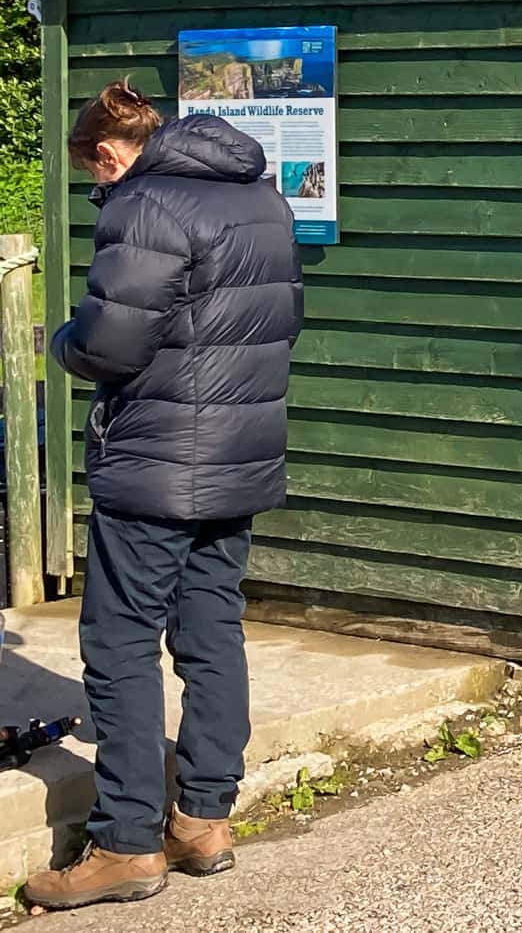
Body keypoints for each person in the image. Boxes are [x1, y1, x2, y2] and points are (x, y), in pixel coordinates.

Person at [23, 82, 303, 911]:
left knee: (118, 644)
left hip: (155, 460)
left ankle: (123, 842)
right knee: (212, 631)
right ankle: (205, 820)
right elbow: (284, 318)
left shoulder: (144, 205)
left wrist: (66, 342)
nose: (98, 187)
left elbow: (109, 344)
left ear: (109, 152)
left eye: (94, 171)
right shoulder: (260, 197)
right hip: (239, 454)